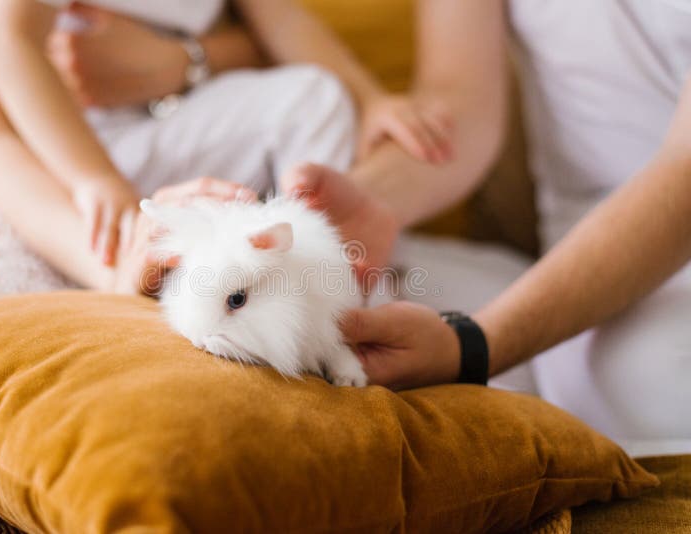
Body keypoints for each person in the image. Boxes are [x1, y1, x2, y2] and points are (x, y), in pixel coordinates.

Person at [279, 0, 691, 453]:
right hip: (567, 243)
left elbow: (683, 172)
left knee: (637, 380)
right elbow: (460, 103)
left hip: (674, 237)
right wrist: (371, 200)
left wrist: (475, 344)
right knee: (311, 324)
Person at [0, 0, 449, 309]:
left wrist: (371, 96)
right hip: (84, 148)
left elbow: (281, 21)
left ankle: (326, 292)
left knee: (316, 98)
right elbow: (10, 46)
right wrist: (95, 177)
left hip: (181, 120)